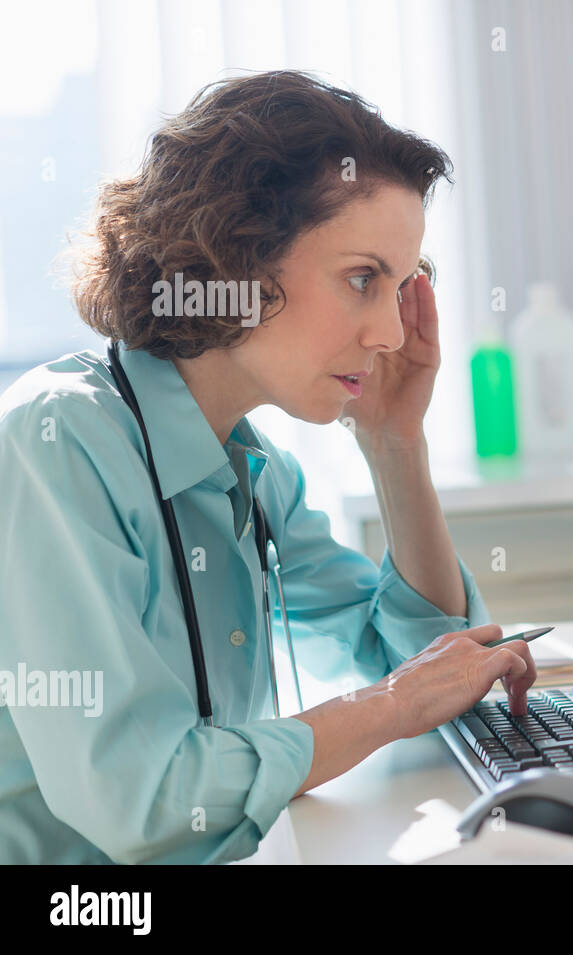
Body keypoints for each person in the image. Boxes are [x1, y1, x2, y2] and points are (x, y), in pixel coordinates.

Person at [0, 70, 535, 863]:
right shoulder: (59, 441)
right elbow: (143, 799)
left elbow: (431, 667)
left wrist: (397, 446)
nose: (392, 332)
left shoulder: (250, 467)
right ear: (237, 262)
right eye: (363, 279)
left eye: (404, 287)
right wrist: (389, 704)